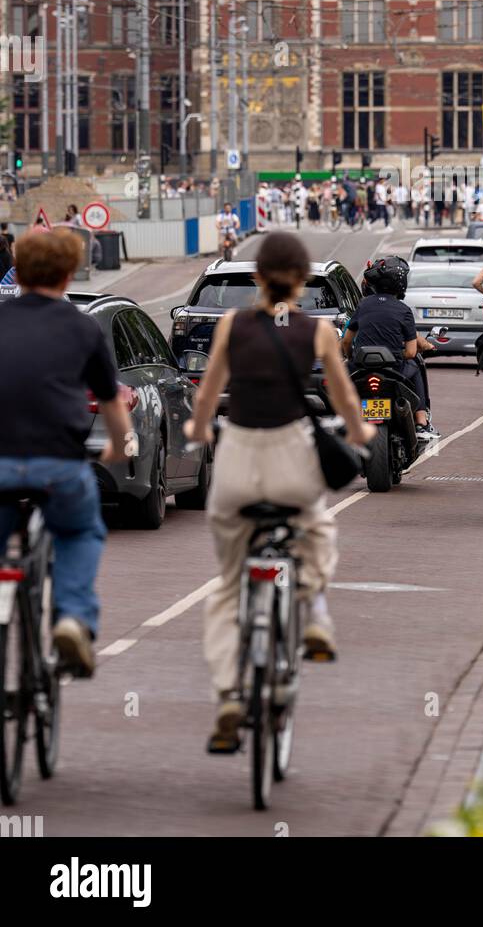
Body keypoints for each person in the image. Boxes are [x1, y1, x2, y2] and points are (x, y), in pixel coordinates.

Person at [184, 231, 375, 752]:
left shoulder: (232, 324)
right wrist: (360, 434)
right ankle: (314, 614)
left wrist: (198, 431)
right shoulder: (316, 331)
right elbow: (343, 395)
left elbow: (207, 395)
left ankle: (228, 695)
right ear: (301, 281)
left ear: (257, 278)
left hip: (240, 458)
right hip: (292, 455)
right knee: (317, 527)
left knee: (228, 583)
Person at [0, 230, 132, 676]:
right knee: (79, 533)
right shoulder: (82, 327)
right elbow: (111, 400)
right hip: (60, 465)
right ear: (69, 274)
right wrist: (116, 445)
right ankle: (73, 618)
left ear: (17, 272)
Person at [342, 256, 439, 439]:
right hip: (395, 368)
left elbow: (346, 341)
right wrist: (396, 352)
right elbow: (411, 352)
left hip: (361, 367)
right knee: (417, 366)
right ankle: (421, 422)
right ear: (401, 284)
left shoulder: (363, 305)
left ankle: (340, 418)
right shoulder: (403, 310)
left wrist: (351, 357)